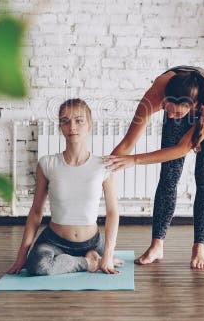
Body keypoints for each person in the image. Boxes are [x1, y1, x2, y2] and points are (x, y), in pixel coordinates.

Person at [104, 65, 204, 269]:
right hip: (181, 99)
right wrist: (105, 168)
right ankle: (157, 246)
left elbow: (182, 149)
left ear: (193, 106)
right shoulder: (155, 96)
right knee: (169, 175)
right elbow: (127, 144)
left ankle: (199, 249)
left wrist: (135, 160)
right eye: (166, 110)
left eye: (176, 113)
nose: (171, 117)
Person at [7, 98, 124, 276]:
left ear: (90, 124)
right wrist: (22, 255)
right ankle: (89, 261)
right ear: (60, 126)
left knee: (103, 257)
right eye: (65, 121)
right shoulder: (47, 164)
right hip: (55, 242)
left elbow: (113, 212)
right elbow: (36, 211)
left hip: (92, 242)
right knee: (38, 266)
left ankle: (94, 256)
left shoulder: (104, 165)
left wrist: (107, 254)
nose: (72, 127)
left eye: (79, 121)